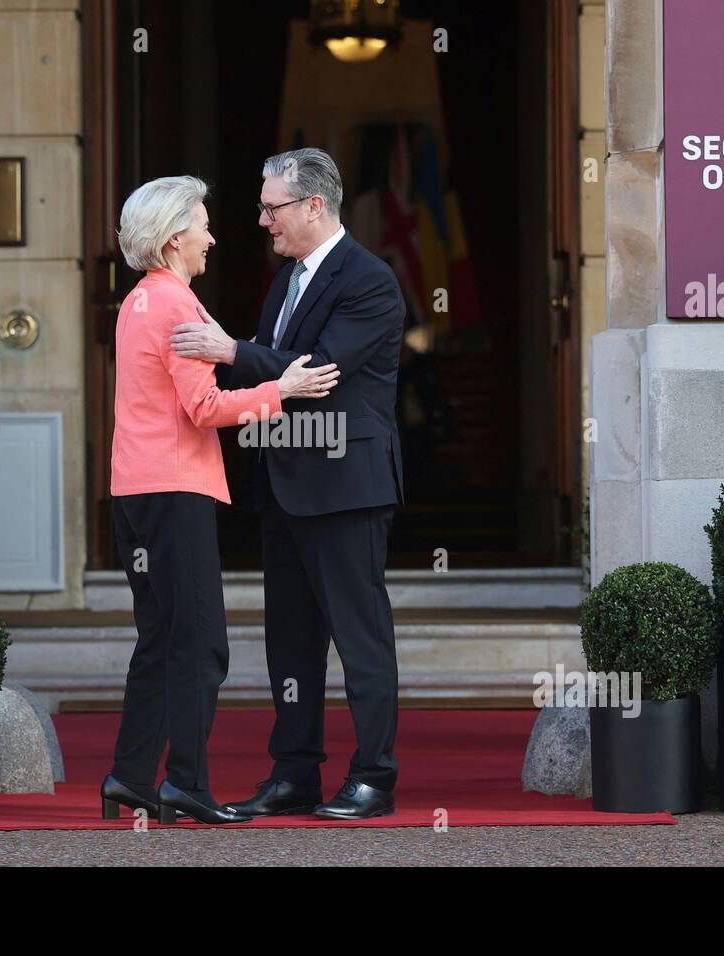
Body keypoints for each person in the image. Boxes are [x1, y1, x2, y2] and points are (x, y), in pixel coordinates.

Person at [169, 148, 405, 819]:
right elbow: (274, 379)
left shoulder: (369, 280)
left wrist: (232, 352)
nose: (263, 221)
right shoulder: (287, 281)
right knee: (290, 643)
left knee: (360, 639)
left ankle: (374, 777)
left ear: (313, 206)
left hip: (345, 486)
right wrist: (236, 361)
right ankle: (295, 773)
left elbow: (317, 373)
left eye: (273, 208)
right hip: (284, 483)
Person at [100, 175, 340, 825]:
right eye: (203, 226)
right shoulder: (176, 305)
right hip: (175, 488)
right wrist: (282, 391)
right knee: (203, 645)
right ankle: (185, 784)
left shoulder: (140, 300)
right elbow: (204, 407)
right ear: (176, 237)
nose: (212, 237)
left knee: (160, 638)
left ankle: (129, 775)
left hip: (135, 491)